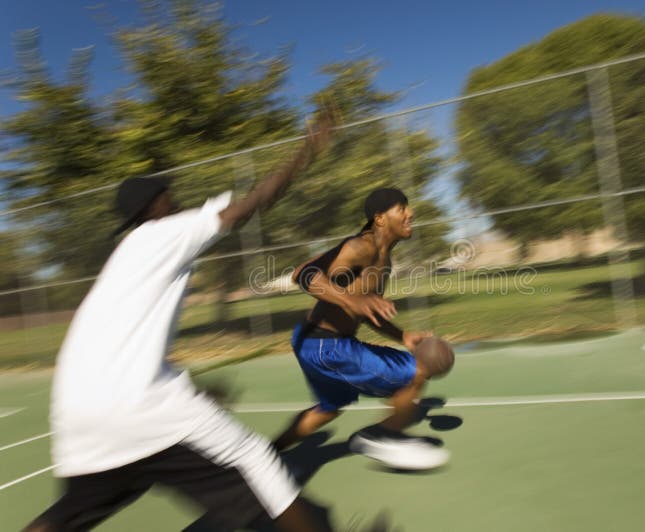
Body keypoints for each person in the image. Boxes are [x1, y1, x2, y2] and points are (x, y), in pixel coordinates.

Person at [24, 112, 385, 532]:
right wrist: (307, 150)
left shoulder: (125, 259)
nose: (174, 196)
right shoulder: (166, 230)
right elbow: (251, 206)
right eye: (167, 192)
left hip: (76, 410)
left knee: (74, 512)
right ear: (153, 205)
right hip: (139, 404)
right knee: (255, 458)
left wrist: (191, 388)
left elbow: (123, 352)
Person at [273, 187, 449, 470]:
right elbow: (303, 274)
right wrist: (350, 300)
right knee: (418, 370)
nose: (410, 213)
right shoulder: (360, 247)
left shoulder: (384, 261)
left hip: (314, 342)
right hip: (325, 345)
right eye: (401, 208)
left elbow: (365, 310)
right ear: (380, 219)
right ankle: (379, 436)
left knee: (328, 409)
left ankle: (266, 455)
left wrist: (402, 335)